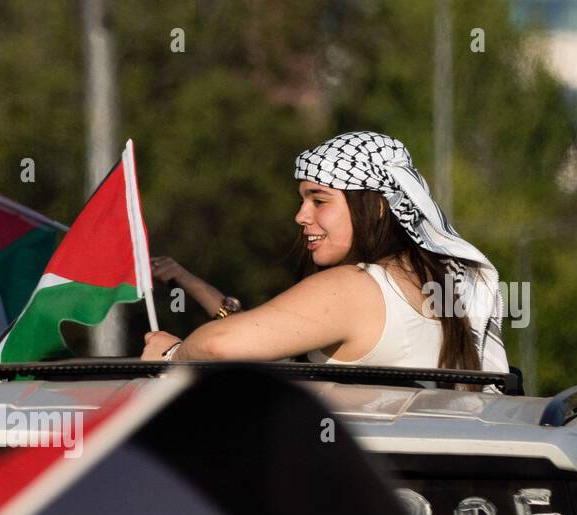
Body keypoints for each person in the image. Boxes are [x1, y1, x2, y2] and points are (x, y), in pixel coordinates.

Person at [140, 131, 507, 376]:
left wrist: (173, 355)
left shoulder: (355, 287)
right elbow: (253, 325)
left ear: (377, 207)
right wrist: (186, 278)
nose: (301, 216)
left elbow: (220, 344)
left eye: (319, 200)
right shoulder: (437, 278)